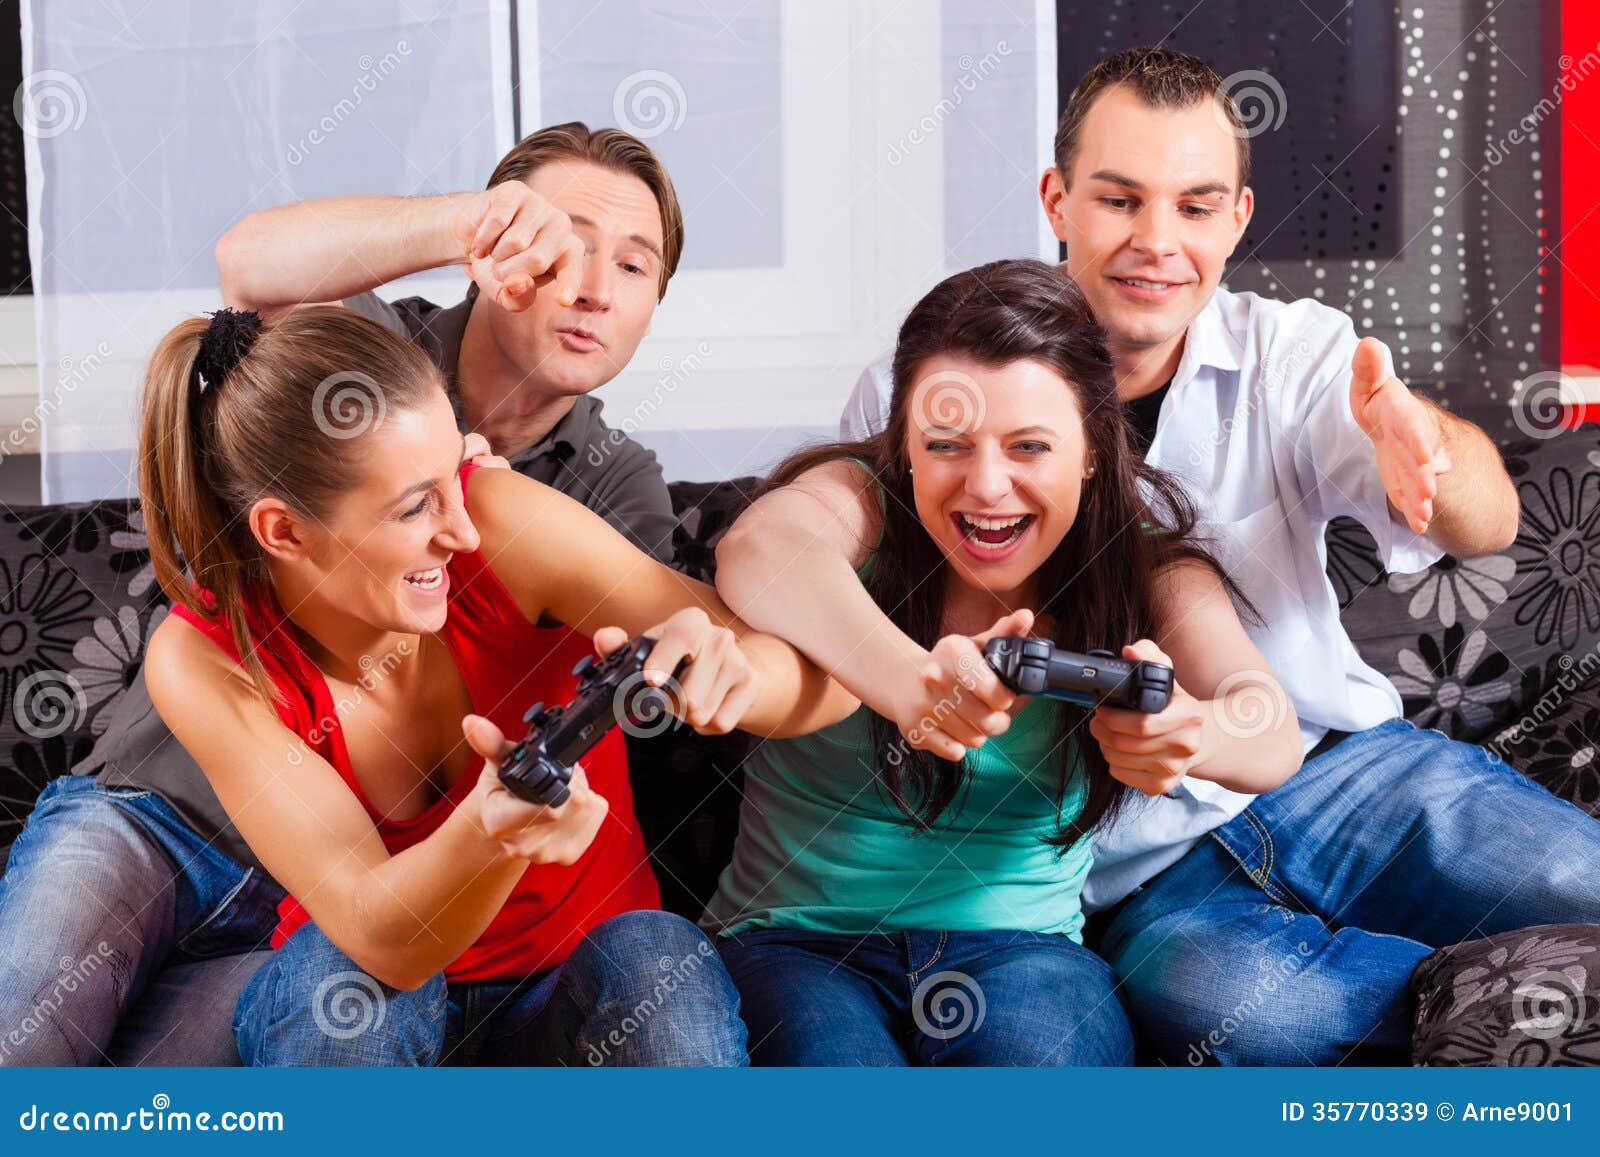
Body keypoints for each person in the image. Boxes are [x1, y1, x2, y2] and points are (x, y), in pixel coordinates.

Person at [824, 48, 1600, 1063]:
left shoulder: (1296, 353)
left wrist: (1426, 446)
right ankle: (1506, 1011)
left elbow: (1484, 521)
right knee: (1251, 1010)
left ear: (1236, 218)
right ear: (1057, 199)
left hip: (1343, 771)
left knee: (1576, 875)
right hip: (1138, 861)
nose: (1156, 242)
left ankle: (1526, 1002)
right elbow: (839, 602)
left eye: (1194, 207)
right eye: (1118, 200)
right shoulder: (918, 390)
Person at [0, 123, 698, 1066]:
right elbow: (246, 267)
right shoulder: (363, 352)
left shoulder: (609, 484)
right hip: (168, 807)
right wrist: (465, 220)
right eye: (564, 244)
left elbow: (653, 654)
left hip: (342, 875)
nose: (593, 287)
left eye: (634, 265)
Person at [134, 304, 855, 1065]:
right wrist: (488, 834)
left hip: (578, 996)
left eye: (456, 473)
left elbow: (831, 682)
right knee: (336, 978)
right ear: (284, 532)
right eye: (416, 505)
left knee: (654, 955)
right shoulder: (203, 660)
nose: (464, 529)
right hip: (384, 993)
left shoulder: (501, 517)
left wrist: (740, 679)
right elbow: (385, 939)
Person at [704, 260, 1303, 1066]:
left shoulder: (1146, 570)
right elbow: (759, 547)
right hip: (795, 946)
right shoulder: (857, 499)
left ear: (1092, 450)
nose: (986, 486)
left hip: (1024, 955)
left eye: (1029, 446)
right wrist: (913, 684)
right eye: (946, 444)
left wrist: (1194, 734)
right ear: (905, 447)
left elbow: (1268, 727)